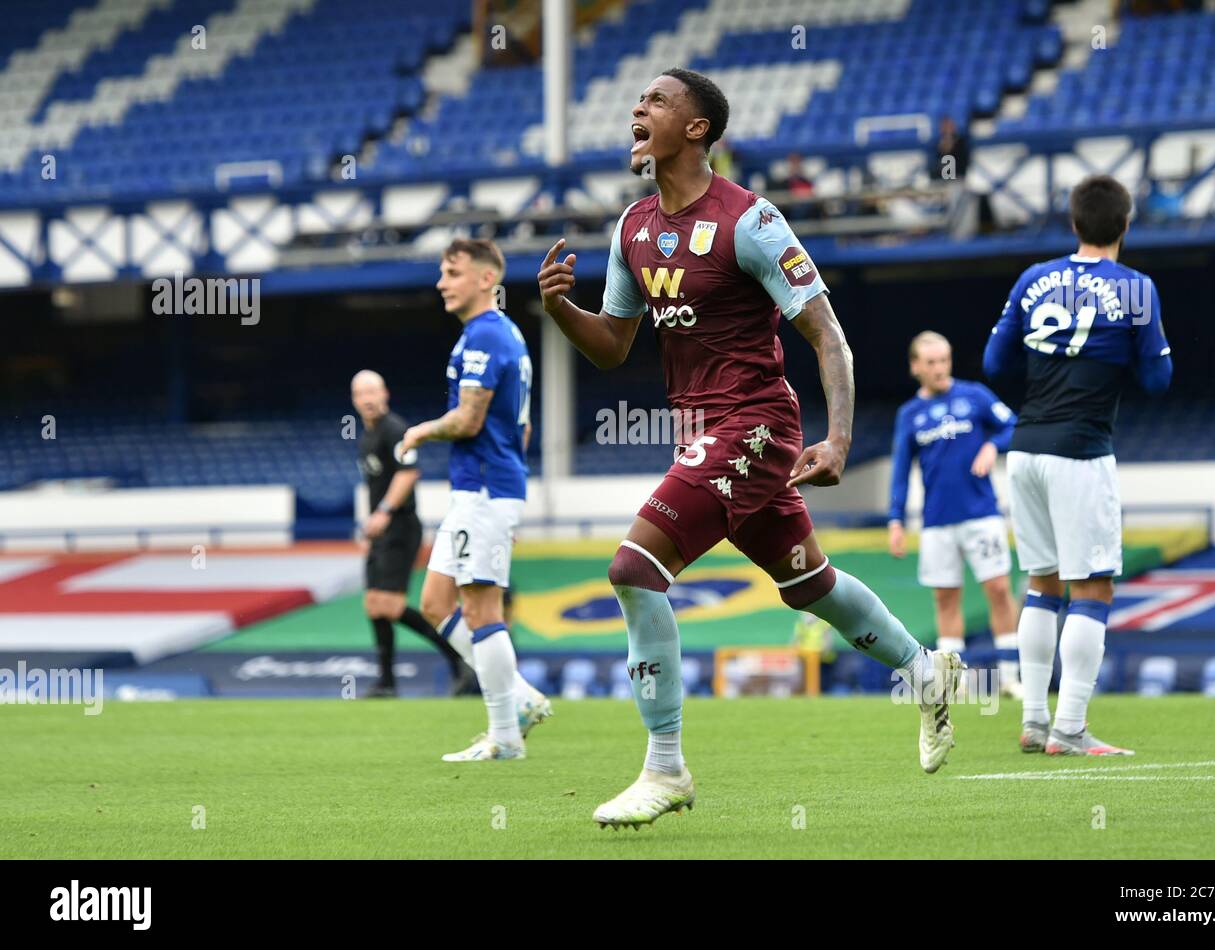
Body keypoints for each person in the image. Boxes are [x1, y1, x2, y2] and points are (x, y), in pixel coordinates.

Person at [537, 67, 964, 830]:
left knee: (634, 568)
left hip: (758, 423)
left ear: (697, 128)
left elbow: (826, 335)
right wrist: (562, 309)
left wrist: (837, 437)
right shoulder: (632, 228)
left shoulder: (751, 220)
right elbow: (611, 346)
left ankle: (665, 768)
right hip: (699, 432)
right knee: (810, 587)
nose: (639, 107)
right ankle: (929, 674)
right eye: (638, 99)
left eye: (658, 100)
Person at [984, 174, 1173, 756]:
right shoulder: (1137, 288)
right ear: (1125, 224)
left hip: (1026, 448)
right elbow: (1158, 380)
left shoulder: (1034, 278)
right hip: (1082, 451)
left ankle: (1035, 721)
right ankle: (1069, 729)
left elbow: (994, 362)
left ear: (1073, 223)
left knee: (1041, 582)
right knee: (1092, 587)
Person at [400, 238, 552, 760]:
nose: (442, 282)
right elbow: (524, 428)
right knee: (435, 603)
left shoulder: (486, 334)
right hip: (479, 488)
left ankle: (506, 736)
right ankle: (521, 697)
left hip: (485, 491)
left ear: (487, 279)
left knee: (481, 607)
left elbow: (468, 418)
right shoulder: (494, 334)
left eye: (453, 272)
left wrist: (419, 432)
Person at [887, 332, 1022, 698]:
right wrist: (896, 519)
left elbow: (1014, 425)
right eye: (930, 362)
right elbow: (901, 470)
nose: (939, 368)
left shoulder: (974, 395)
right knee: (946, 597)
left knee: (997, 588)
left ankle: (1010, 676)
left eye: (944, 360)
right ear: (915, 367)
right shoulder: (910, 414)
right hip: (936, 521)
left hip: (981, 514)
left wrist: (993, 445)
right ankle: (956, 681)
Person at [350, 370, 464, 697]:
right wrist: (372, 525)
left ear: (385, 393)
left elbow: (408, 473)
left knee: (387, 604)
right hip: (381, 531)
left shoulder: (394, 429)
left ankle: (458, 657)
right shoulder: (367, 436)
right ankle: (387, 682)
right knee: (373, 604)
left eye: (373, 391)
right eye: (361, 394)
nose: (368, 399)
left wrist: (384, 512)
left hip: (399, 526)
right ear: (355, 400)